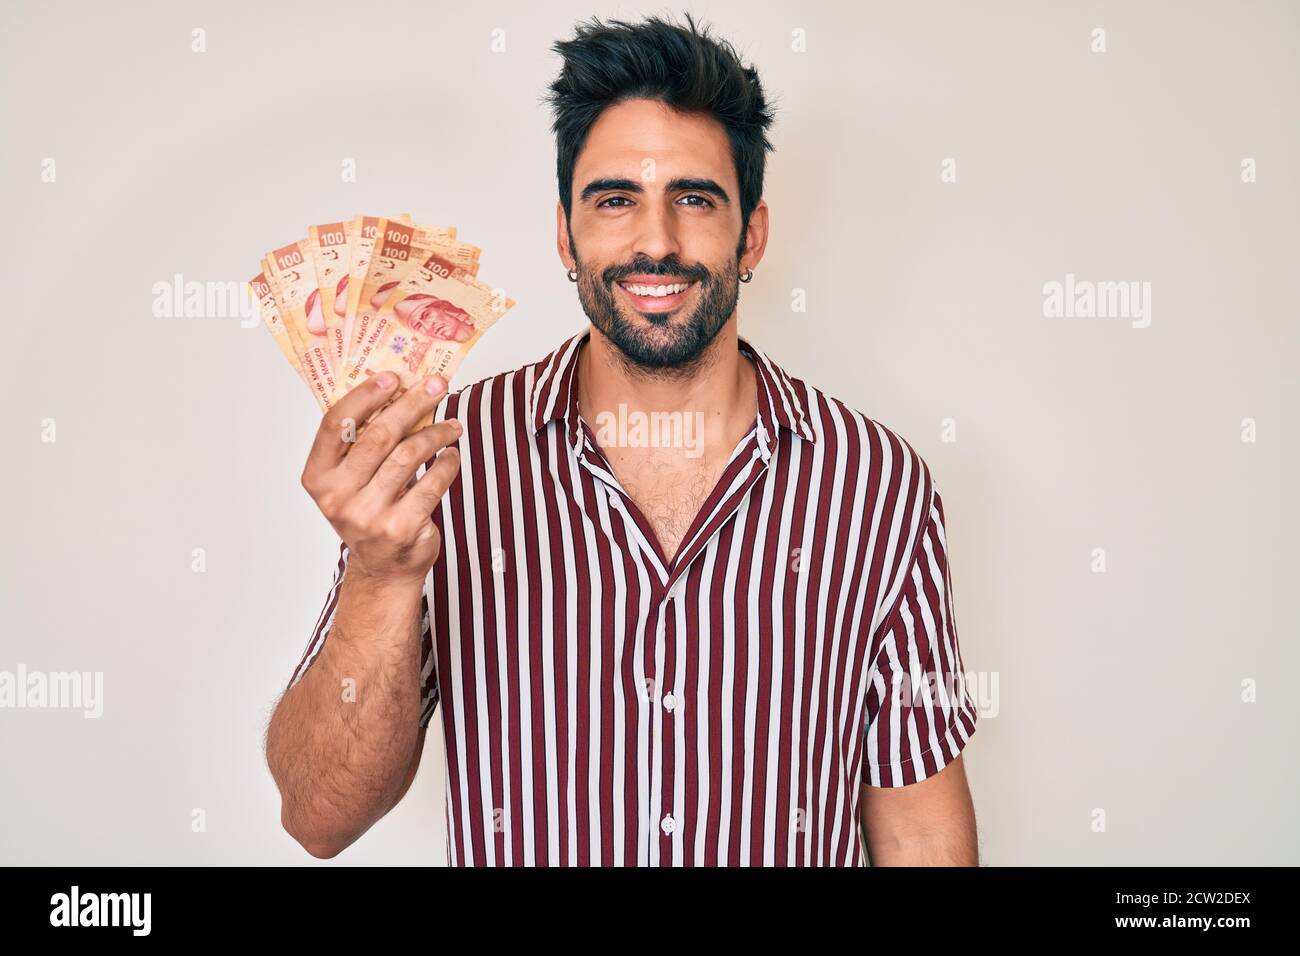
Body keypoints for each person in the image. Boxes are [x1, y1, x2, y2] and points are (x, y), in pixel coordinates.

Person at [265, 12, 980, 866]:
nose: (656, 242)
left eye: (694, 198)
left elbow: (919, 825)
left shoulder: (878, 486)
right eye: (615, 201)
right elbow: (319, 815)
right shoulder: (446, 457)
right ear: (565, 235)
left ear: (751, 233)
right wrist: (381, 575)